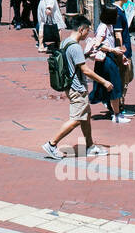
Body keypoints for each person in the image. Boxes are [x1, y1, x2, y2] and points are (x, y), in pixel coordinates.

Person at [42, 16, 110, 161]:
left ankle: (90, 146)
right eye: (87, 31)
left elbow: (72, 61)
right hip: (77, 88)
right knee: (76, 119)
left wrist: (86, 54)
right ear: (81, 29)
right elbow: (85, 70)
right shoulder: (75, 47)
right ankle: (51, 144)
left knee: (85, 116)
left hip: (71, 86)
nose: (88, 34)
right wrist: (104, 82)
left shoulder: (66, 42)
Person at [86, 3, 129, 123]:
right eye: (115, 15)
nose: (117, 17)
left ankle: (115, 112)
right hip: (106, 61)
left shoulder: (109, 26)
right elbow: (97, 44)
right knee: (114, 86)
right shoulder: (103, 27)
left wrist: (120, 54)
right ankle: (117, 115)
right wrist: (112, 50)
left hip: (109, 58)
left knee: (107, 87)